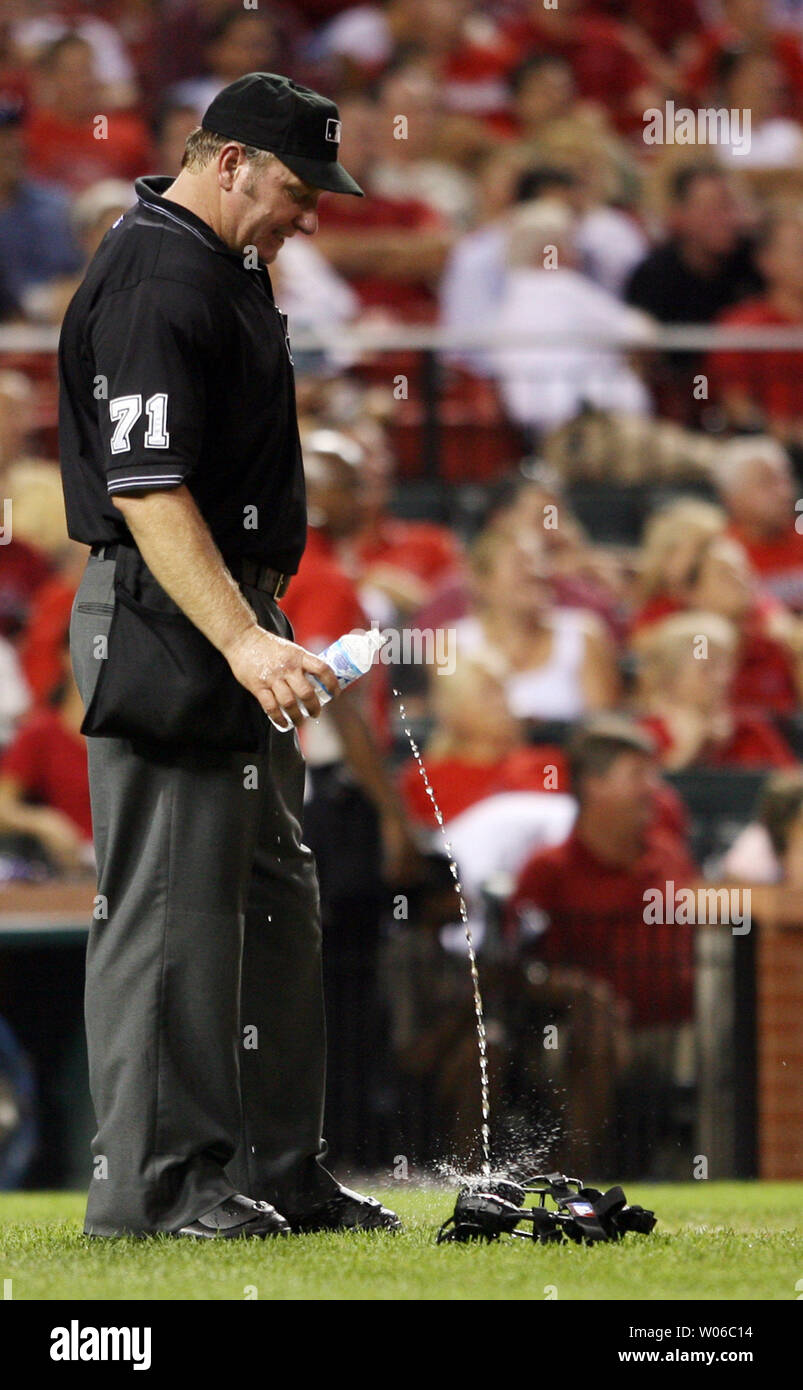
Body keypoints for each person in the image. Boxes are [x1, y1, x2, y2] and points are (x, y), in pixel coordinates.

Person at [59, 72, 400, 1239]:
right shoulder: (158, 271)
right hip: (171, 614)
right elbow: (145, 487)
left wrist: (260, 627)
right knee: (170, 911)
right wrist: (245, 637)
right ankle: (158, 1191)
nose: (309, 213)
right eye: (297, 188)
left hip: (227, 611)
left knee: (267, 901)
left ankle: (275, 1171)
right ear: (227, 163)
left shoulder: (227, 262)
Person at [635, 611, 797, 770]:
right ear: (670, 677)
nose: (722, 679)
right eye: (706, 669)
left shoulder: (749, 728)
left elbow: (791, 785)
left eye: (724, 667)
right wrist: (690, 748)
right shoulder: (646, 735)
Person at [709, 205, 803, 449]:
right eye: (799, 250)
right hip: (769, 451)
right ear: (767, 261)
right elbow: (730, 401)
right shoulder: (742, 327)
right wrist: (783, 433)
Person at [716, 435, 803, 613]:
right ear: (732, 498)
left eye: (785, 479)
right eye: (767, 482)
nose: (784, 492)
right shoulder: (720, 557)